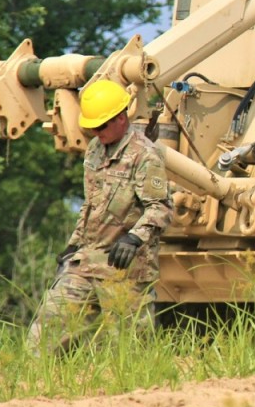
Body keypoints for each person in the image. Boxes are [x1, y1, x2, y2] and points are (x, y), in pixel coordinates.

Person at [28, 80, 173, 353]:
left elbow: (161, 207)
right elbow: (91, 203)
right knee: (47, 329)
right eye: (92, 126)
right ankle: (30, 389)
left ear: (121, 118)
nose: (96, 131)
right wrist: (74, 244)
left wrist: (133, 239)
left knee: (129, 351)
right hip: (88, 259)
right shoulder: (95, 149)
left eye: (102, 125)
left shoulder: (145, 155)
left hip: (125, 268)